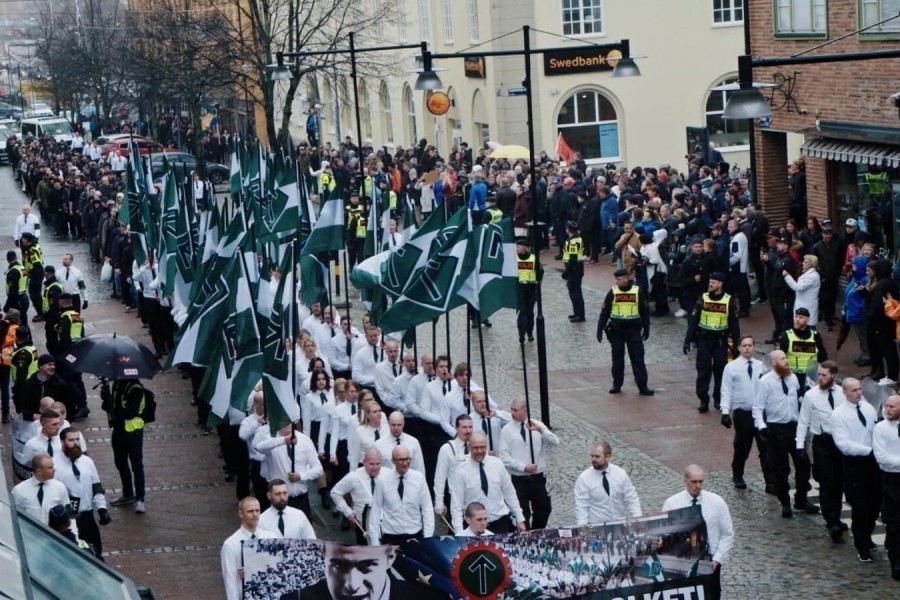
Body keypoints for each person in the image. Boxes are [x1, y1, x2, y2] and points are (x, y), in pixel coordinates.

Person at [752, 350, 816, 518]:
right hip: (776, 429)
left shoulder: (792, 378)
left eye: (785, 358)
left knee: (803, 464)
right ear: (773, 362)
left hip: (794, 428)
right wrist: (762, 426)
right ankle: (785, 502)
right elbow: (758, 407)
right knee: (781, 469)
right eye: (782, 359)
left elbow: (797, 399)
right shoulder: (765, 382)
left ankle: (801, 499)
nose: (786, 361)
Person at [662, 465, 734, 600]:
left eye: (701, 481)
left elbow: (727, 534)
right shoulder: (672, 504)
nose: (698, 485)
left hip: (710, 561)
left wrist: (717, 560)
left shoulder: (717, 502)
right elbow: (666, 536)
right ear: (685, 481)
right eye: (694, 482)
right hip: (683, 563)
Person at [830, 377, 881, 563]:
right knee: (860, 506)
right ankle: (862, 544)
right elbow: (843, 444)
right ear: (844, 392)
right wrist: (868, 451)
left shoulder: (867, 409)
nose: (858, 393)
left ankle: (867, 536)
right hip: (854, 463)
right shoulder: (839, 415)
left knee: (875, 503)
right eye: (854, 390)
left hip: (873, 463)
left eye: (859, 389)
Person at [796, 360, 847, 542]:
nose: (820, 378)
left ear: (833, 375)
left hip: (840, 442)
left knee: (840, 481)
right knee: (827, 481)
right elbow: (804, 421)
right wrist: (800, 446)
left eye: (824, 375)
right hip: (822, 442)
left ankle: (837, 516)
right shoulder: (811, 396)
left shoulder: (843, 393)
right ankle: (831, 520)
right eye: (818, 374)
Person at [293, 543, 446, 600]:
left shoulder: (423, 596)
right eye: (339, 567)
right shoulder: (302, 596)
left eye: (366, 567)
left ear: (390, 558)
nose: (352, 585)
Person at [683, 272, 741, 413]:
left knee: (721, 372)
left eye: (713, 282)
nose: (710, 284)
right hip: (704, 340)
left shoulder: (729, 301)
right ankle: (703, 400)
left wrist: (736, 345)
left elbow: (734, 325)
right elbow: (693, 321)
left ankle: (718, 400)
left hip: (721, 341)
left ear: (720, 284)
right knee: (703, 371)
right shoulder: (703, 298)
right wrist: (687, 340)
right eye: (710, 282)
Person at [499, 398, 559, 530]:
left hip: (537, 477)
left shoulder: (536, 425)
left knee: (544, 507)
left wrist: (541, 431)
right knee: (522, 512)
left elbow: (555, 442)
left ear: (525, 410)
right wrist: (523, 467)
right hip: (518, 479)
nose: (512, 413)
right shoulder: (507, 430)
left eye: (515, 410)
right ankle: (525, 535)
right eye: (511, 410)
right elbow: (503, 456)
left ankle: (537, 531)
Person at [720, 336, 771, 490]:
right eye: (744, 346)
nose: (747, 348)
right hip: (742, 413)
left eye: (749, 345)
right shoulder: (731, 367)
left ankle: (770, 481)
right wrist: (724, 411)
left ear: (754, 347)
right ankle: (737, 475)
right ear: (739, 348)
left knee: (766, 448)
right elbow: (726, 389)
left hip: (760, 414)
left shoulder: (761, 366)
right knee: (742, 447)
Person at [449, 432, 526, 534]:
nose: (480, 451)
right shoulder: (461, 471)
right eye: (476, 448)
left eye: (482, 447)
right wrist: (459, 534)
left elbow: (509, 493)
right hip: (474, 528)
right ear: (469, 447)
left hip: (500, 523)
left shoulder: (498, 464)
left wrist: (519, 519)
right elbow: (456, 505)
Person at [53, 427, 111, 558]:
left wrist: (102, 508)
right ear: (62, 442)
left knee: (96, 554)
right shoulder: (55, 465)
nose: (75, 443)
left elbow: (96, 486)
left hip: (88, 517)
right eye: (71, 440)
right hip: (68, 519)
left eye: (77, 439)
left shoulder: (87, 461)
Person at [596, 269, 654, 395]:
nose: (616, 282)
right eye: (616, 279)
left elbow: (644, 312)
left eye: (618, 279)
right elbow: (605, 312)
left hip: (633, 330)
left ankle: (642, 386)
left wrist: (647, 327)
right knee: (617, 359)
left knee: (638, 358)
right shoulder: (613, 292)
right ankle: (617, 384)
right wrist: (599, 329)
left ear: (625, 279)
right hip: (617, 331)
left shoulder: (637, 291)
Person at [368, 445, 434, 546]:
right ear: (393, 461)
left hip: (415, 535)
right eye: (401, 460)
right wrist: (375, 542)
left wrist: (428, 537)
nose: (405, 463)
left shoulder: (419, 478)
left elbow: (427, 508)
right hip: (391, 536)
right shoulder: (383, 481)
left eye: (407, 459)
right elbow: (375, 511)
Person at [254, 422, 323, 518]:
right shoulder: (270, 439)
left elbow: (318, 469)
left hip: (300, 499)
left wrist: (301, 476)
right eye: (284, 420)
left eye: (289, 420)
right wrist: (283, 440)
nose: (288, 424)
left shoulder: (304, 440)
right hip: (279, 500)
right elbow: (259, 447)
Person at [105, 378, 152, 514]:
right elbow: (110, 406)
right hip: (119, 429)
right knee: (120, 462)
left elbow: (130, 411)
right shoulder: (117, 384)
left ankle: (140, 499)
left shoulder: (136, 388)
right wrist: (106, 400)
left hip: (133, 431)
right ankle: (128, 493)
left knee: (136, 465)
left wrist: (114, 409)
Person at [220, 497, 278, 600]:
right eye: (250, 511)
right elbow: (230, 580)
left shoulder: (272, 538)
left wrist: (255, 568)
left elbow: (280, 568)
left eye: (257, 510)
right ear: (241, 514)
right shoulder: (231, 544)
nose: (255, 514)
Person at [573, 440, 641, 525]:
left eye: (597, 456)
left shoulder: (620, 474)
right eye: (592, 456)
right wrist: (583, 529)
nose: (593, 459)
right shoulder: (584, 478)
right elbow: (581, 505)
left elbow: (631, 498)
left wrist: (638, 519)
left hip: (619, 523)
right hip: (596, 525)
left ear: (607, 457)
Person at [872, 395, 900, 580]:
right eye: (886, 406)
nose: (887, 409)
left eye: (892, 406)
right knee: (895, 523)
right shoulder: (881, 428)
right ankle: (896, 563)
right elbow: (881, 457)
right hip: (891, 480)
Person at [331, 448, 383, 545]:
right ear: (364, 462)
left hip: (384, 524)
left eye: (378, 464)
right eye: (371, 464)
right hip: (363, 525)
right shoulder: (354, 476)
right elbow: (335, 492)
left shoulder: (387, 474)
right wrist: (347, 511)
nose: (375, 467)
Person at [10, 454, 75, 527]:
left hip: (54, 535)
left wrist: (74, 533)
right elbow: (13, 516)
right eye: (50, 468)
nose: (54, 469)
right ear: (39, 471)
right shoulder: (19, 490)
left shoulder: (60, 487)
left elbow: (69, 512)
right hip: (30, 535)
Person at [433, 415, 474, 524]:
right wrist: (439, 504)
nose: (468, 430)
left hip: (475, 496)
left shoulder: (477, 446)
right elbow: (440, 478)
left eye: (470, 427)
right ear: (456, 428)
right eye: (464, 427)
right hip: (456, 499)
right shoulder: (446, 449)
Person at [779, 307, 827, 393]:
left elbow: (822, 357)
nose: (797, 319)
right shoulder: (786, 336)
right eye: (796, 316)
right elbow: (779, 358)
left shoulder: (815, 336)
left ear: (808, 320)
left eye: (801, 317)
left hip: (810, 378)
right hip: (792, 376)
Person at [783, 254, 821, 329]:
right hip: (803, 304)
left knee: (808, 327)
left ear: (811, 264)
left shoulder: (812, 276)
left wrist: (787, 276)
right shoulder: (807, 274)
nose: (803, 263)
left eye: (805, 262)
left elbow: (797, 287)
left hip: (807, 306)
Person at [515, 237, 542, 342]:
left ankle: (530, 332)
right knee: (521, 313)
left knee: (530, 312)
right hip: (519, 288)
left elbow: (539, 273)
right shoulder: (514, 259)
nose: (516, 249)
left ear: (525, 248)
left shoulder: (533, 258)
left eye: (518, 247)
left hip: (530, 288)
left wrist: (537, 286)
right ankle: (521, 334)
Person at [561, 221, 585, 322]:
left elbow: (573, 258)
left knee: (575, 292)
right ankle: (577, 313)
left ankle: (580, 315)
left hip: (574, 268)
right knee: (574, 292)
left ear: (568, 229)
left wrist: (566, 272)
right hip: (575, 267)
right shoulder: (574, 239)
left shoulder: (574, 241)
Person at [727, 219, 751, 316]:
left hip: (738, 268)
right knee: (744, 288)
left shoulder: (736, 238)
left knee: (741, 290)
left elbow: (736, 256)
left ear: (736, 226)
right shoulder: (741, 236)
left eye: (730, 226)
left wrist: (728, 263)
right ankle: (746, 307)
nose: (728, 228)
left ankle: (744, 310)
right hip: (741, 267)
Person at [5, 250, 29, 316]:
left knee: (15, 323)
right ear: (16, 257)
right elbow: (26, 282)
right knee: (23, 320)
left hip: (16, 301)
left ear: (7, 260)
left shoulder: (13, 272)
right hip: (24, 298)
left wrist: (7, 305)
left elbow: (13, 290)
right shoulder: (23, 268)